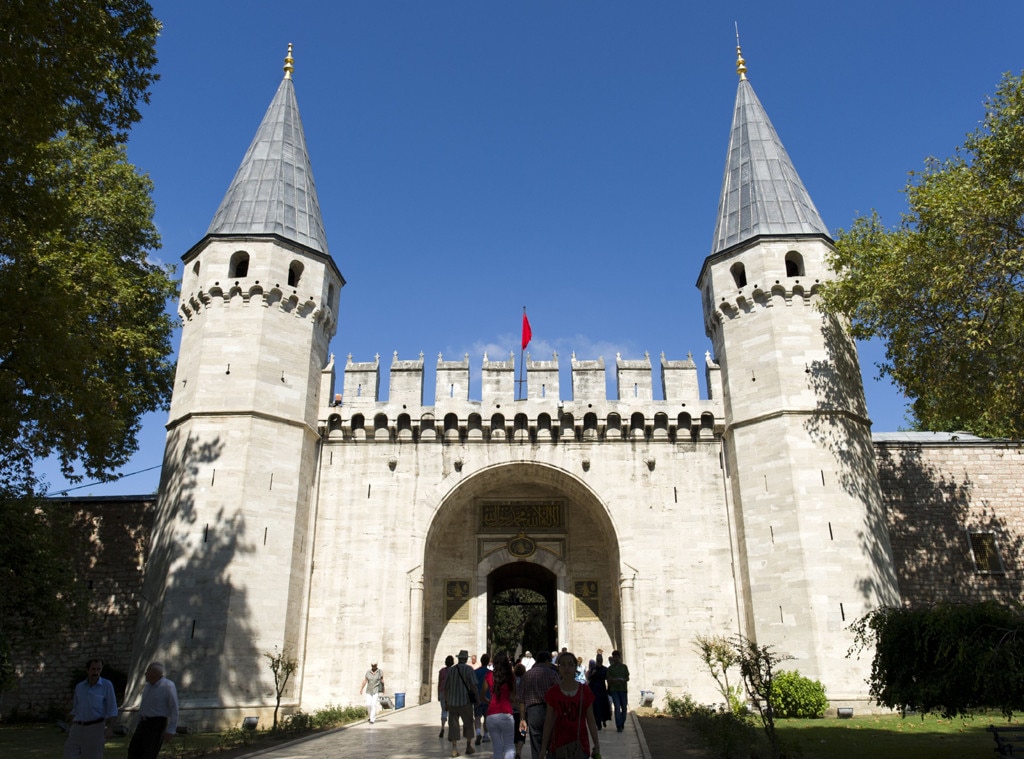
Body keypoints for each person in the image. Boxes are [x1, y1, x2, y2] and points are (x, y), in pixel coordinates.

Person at [539, 651, 601, 759]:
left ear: (575, 667)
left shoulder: (584, 691)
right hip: (558, 745)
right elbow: (548, 721)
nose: (566, 668)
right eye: (563, 664)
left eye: (570, 664)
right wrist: (543, 747)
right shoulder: (553, 692)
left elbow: (590, 719)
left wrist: (597, 744)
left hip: (580, 745)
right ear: (558, 668)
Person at [64, 658, 119, 759]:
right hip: (77, 727)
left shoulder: (107, 685)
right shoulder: (79, 687)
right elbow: (76, 708)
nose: (96, 672)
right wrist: (70, 718)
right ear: (87, 670)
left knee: (93, 756)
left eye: (99, 669)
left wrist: (110, 728)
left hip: (95, 727)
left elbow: (112, 709)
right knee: (69, 754)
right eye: (93, 669)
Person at [126, 662, 178, 759]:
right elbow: (144, 706)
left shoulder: (168, 686)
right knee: (133, 751)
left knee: (149, 753)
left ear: (155, 674)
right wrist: (139, 723)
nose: (145, 674)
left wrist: (171, 730)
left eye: (148, 672)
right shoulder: (148, 686)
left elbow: (174, 708)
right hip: (144, 723)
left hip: (157, 724)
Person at [517, 650, 559, 759]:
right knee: (551, 740)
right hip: (550, 710)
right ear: (546, 661)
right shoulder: (552, 674)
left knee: (535, 742)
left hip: (533, 711)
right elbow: (559, 693)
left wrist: (522, 718)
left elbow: (521, 699)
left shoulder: (527, 675)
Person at [443, 649, 479, 757]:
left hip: (453, 702)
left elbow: (446, 688)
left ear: (459, 658)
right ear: (465, 659)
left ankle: (454, 749)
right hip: (465, 702)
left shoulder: (451, 670)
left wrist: (446, 702)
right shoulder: (469, 669)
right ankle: (468, 746)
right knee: (468, 724)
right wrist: (477, 700)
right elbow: (473, 686)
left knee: (453, 726)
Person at [483, 652, 517, 759]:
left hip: (491, 715)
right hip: (506, 714)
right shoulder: (511, 677)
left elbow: (481, 696)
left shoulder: (489, 676)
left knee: (497, 748)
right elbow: (513, 696)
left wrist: (491, 702)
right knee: (509, 747)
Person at [606, 650, 630, 733]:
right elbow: (608, 680)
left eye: (617, 657)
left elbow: (627, 677)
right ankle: (618, 725)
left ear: (619, 657)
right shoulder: (610, 668)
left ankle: (622, 722)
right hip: (614, 690)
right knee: (617, 707)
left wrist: (624, 680)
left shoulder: (624, 667)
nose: (616, 659)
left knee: (624, 707)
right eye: (614, 657)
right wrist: (615, 680)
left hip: (623, 690)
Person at [586, 653, 610, 730]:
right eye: (598, 660)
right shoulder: (593, 669)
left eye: (600, 660)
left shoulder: (605, 669)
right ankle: (598, 723)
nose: (599, 661)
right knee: (596, 707)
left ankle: (604, 720)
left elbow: (608, 678)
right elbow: (589, 678)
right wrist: (592, 674)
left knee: (603, 705)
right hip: (595, 690)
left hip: (602, 689)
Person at [474, 652, 491, 744]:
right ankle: (486, 735)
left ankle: (478, 733)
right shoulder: (490, 673)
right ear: (488, 662)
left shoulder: (475, 672)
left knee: (477, 717)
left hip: (477, 699)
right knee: (486, 718)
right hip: (487, 699)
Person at [439, 655, 455, 737]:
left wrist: (439, 694)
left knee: (444, 710)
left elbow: (439, 683)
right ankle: (451, 730)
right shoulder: (454, 671)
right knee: (451, 711)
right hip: (451, 692)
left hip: (442, 691)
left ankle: (442, 727)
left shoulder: (441, 671)